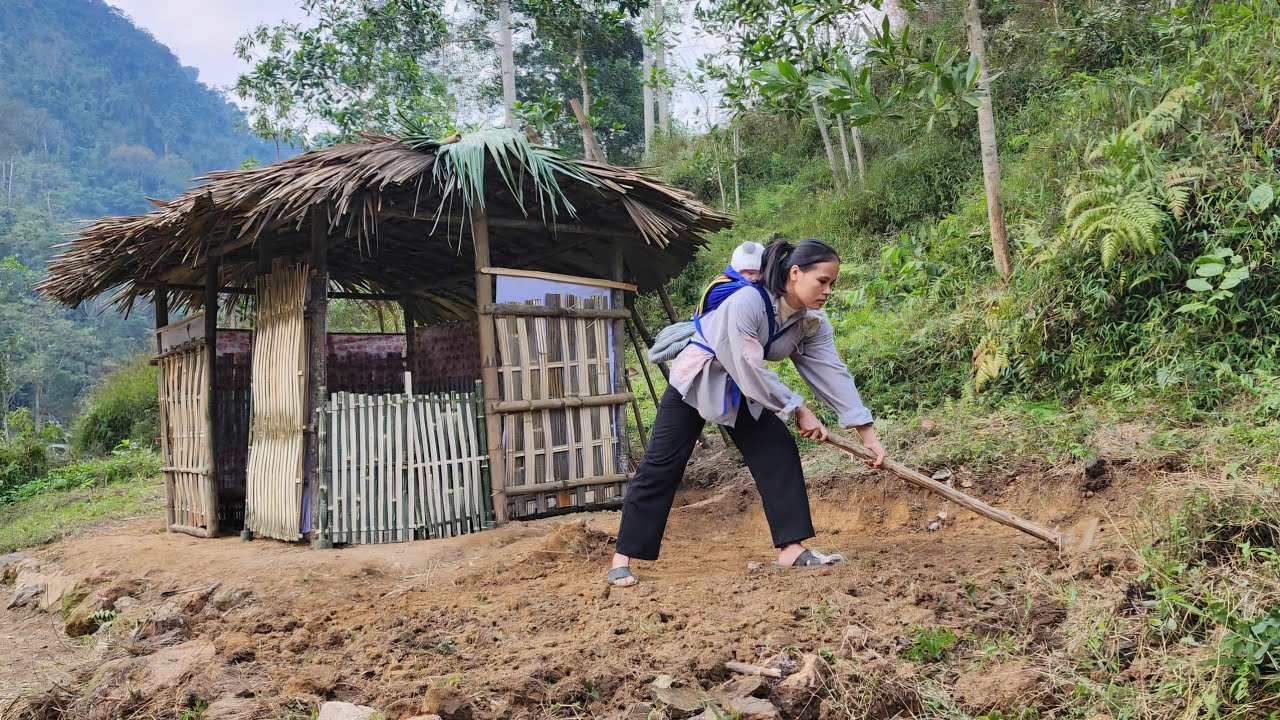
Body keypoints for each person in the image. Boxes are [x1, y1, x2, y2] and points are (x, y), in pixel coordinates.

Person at [607, 238, 886, 587]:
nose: (828, 291)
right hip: (698, 379)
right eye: (822, 281)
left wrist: (868, 436)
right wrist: (797, 407)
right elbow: (748, 367)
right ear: (795, 273)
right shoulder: (748, 301)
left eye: (833, 283)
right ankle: (622, 558)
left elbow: (832, 372)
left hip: (741, 390)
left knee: (777, 449)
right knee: (661, 465)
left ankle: (792, 549)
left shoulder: (810, 321)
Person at [648, 241, 766, 364]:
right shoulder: (723, 287)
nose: (756, 277)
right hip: (710, 337)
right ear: (737, 271)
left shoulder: (732, 282)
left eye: (760, 273)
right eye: (750, 273)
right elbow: (752, 292)